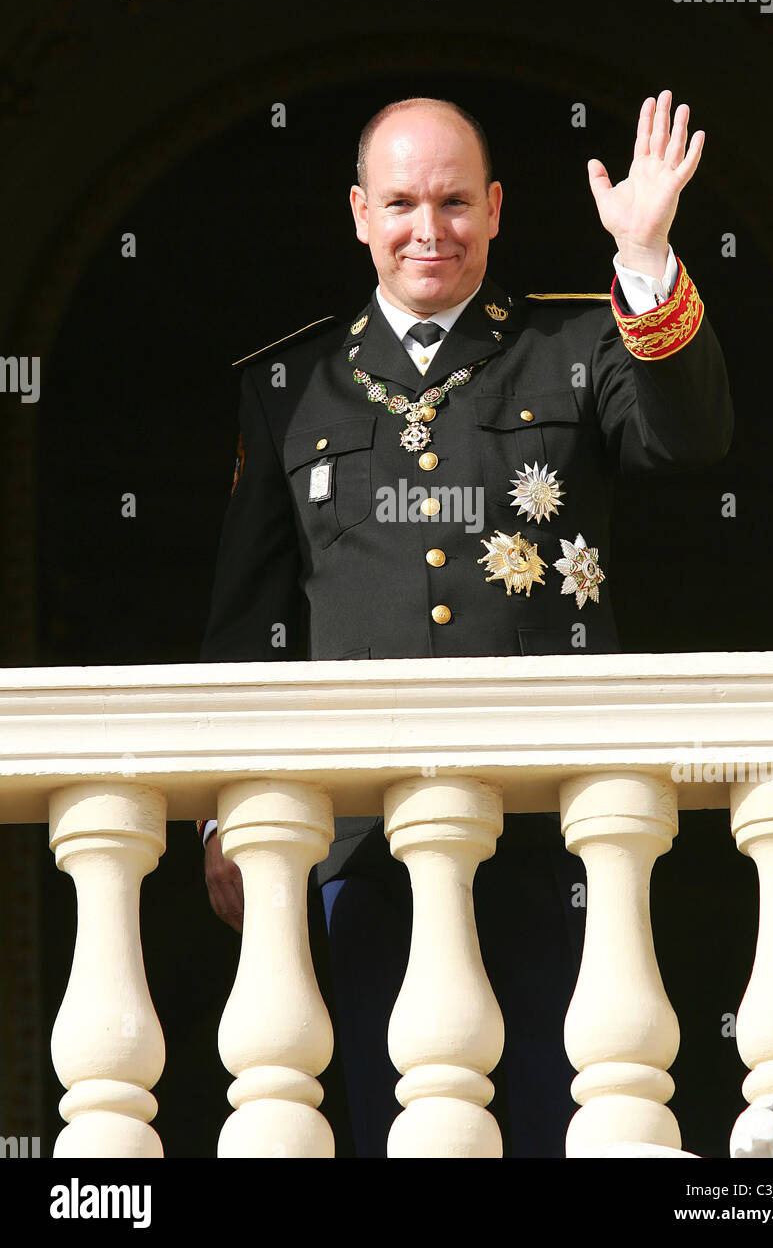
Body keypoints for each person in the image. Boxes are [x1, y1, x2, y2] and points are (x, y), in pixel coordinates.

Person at [198, 90, 733, 1157]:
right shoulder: (288, 383)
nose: (426, 229)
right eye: (400, 202)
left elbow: (691, 440)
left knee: (562, 1116)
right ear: (359, 213)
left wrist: (645, 258)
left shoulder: (575, 342)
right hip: (365, 837)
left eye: (452, 200)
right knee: (385, 1122)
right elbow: (249, 618)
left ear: (494, 208)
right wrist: (224, 808)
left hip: (554, 830)